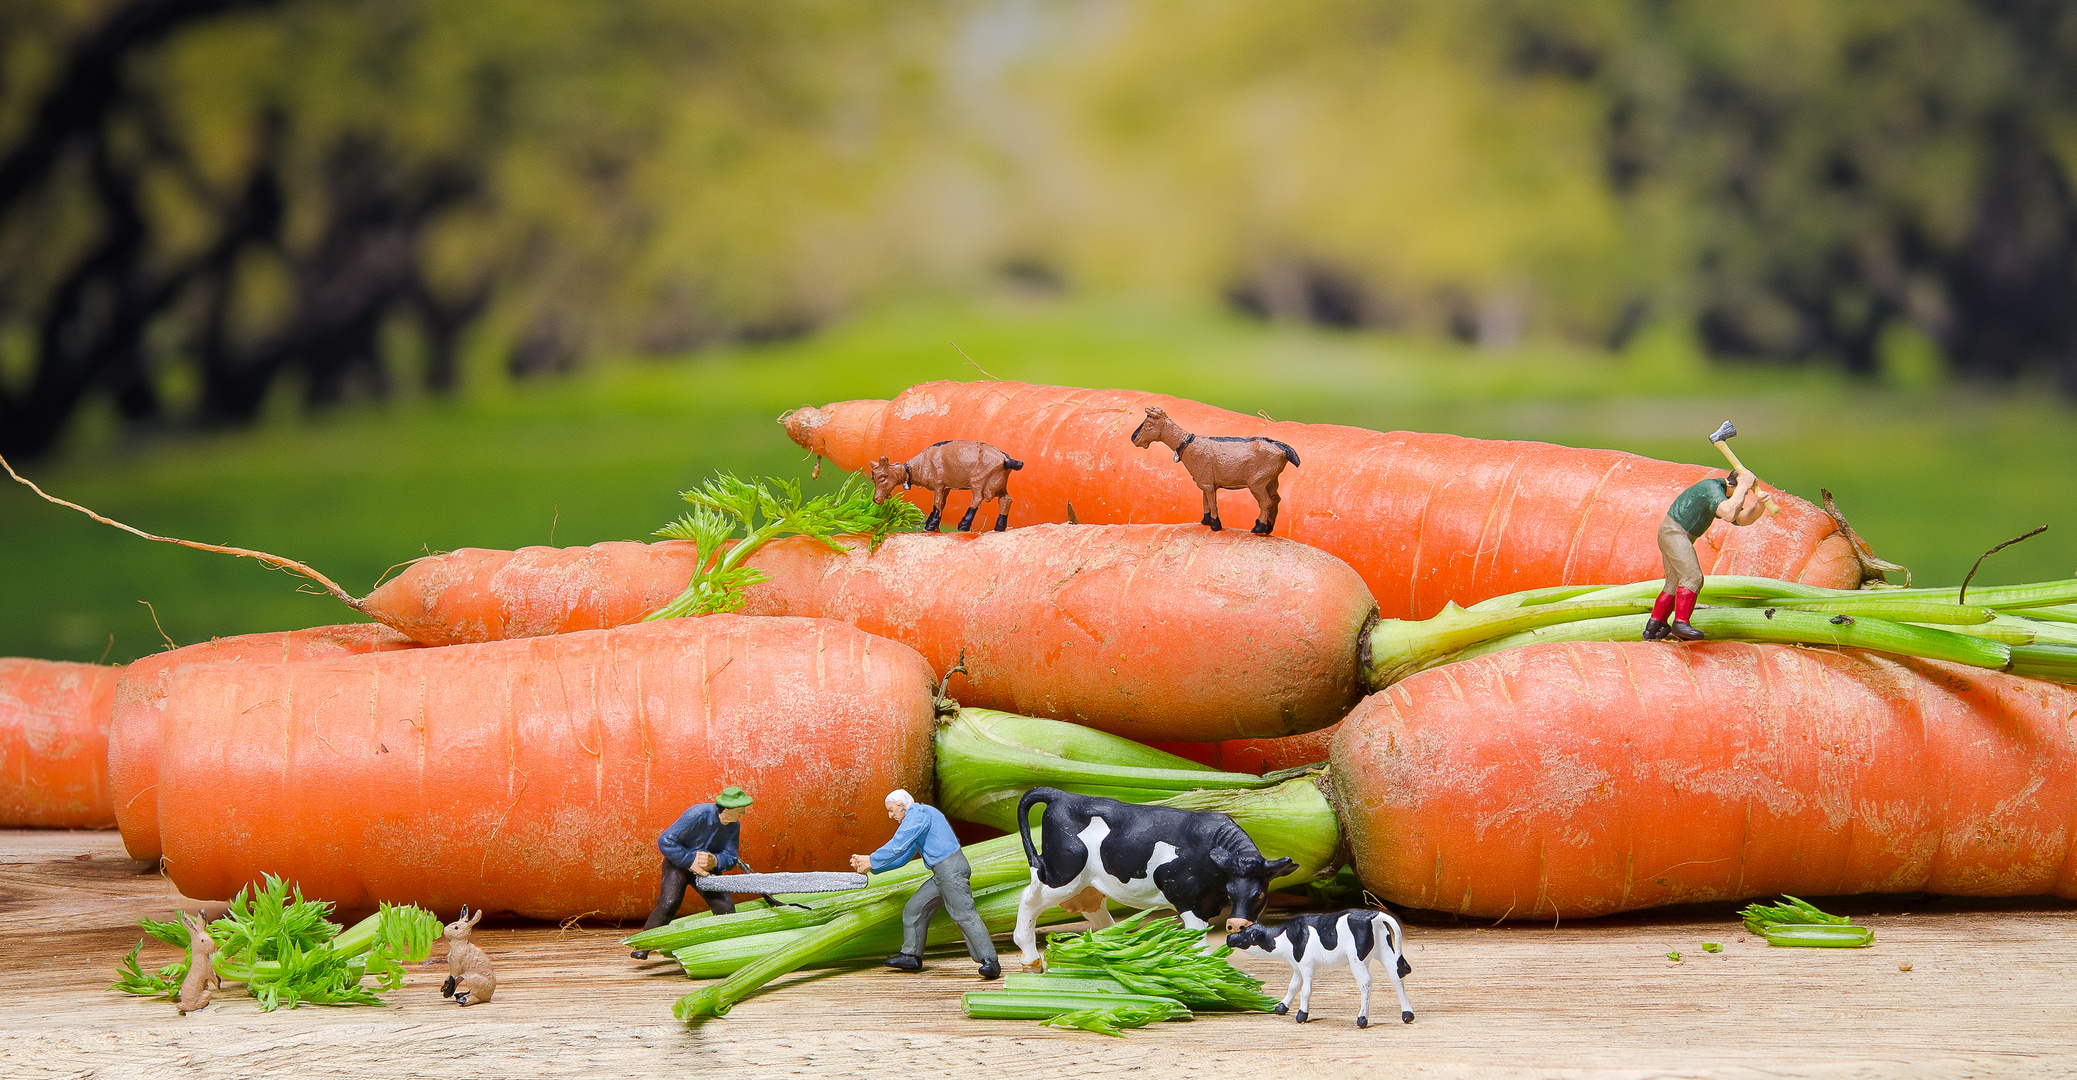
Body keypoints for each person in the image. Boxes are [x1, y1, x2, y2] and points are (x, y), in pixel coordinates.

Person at [850, 789, 1001, 979]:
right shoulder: (918, 820)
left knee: (963, 914)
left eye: (891, 810)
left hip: (950, 871)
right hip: (942, 873)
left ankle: (989, 961)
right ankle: (911, 955)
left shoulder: (919, 815)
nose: (890, 815)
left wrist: (871, 859)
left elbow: (898, 844)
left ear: (900, 804)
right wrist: (873, 866)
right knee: (915, 909)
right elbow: (903, 856)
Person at [1644, 469, 1769, 642]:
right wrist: (1743, 486)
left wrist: (1759, 506)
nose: (1744, 495)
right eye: (1745, 491)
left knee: (1673, 584)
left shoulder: (1725, 494)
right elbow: (1728, 512)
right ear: (1735, 484)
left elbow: (1740, 518)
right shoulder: (1712, 488)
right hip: (1674, 532)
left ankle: (1655, 625)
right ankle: (1680, 623)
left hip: (1676, 533)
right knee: (1692, 578)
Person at [631, 786, 753, 959]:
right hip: (678, 865)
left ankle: (724, 946)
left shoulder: (733, 825)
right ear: (728, 809)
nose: (743, 814)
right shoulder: (697, 814)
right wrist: (690, 860)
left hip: (706, 870)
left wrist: (715, 861)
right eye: (740, 810)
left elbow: (731, 857)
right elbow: (666, 841)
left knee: (724, 906)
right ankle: (642, 946)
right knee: (669, 903)